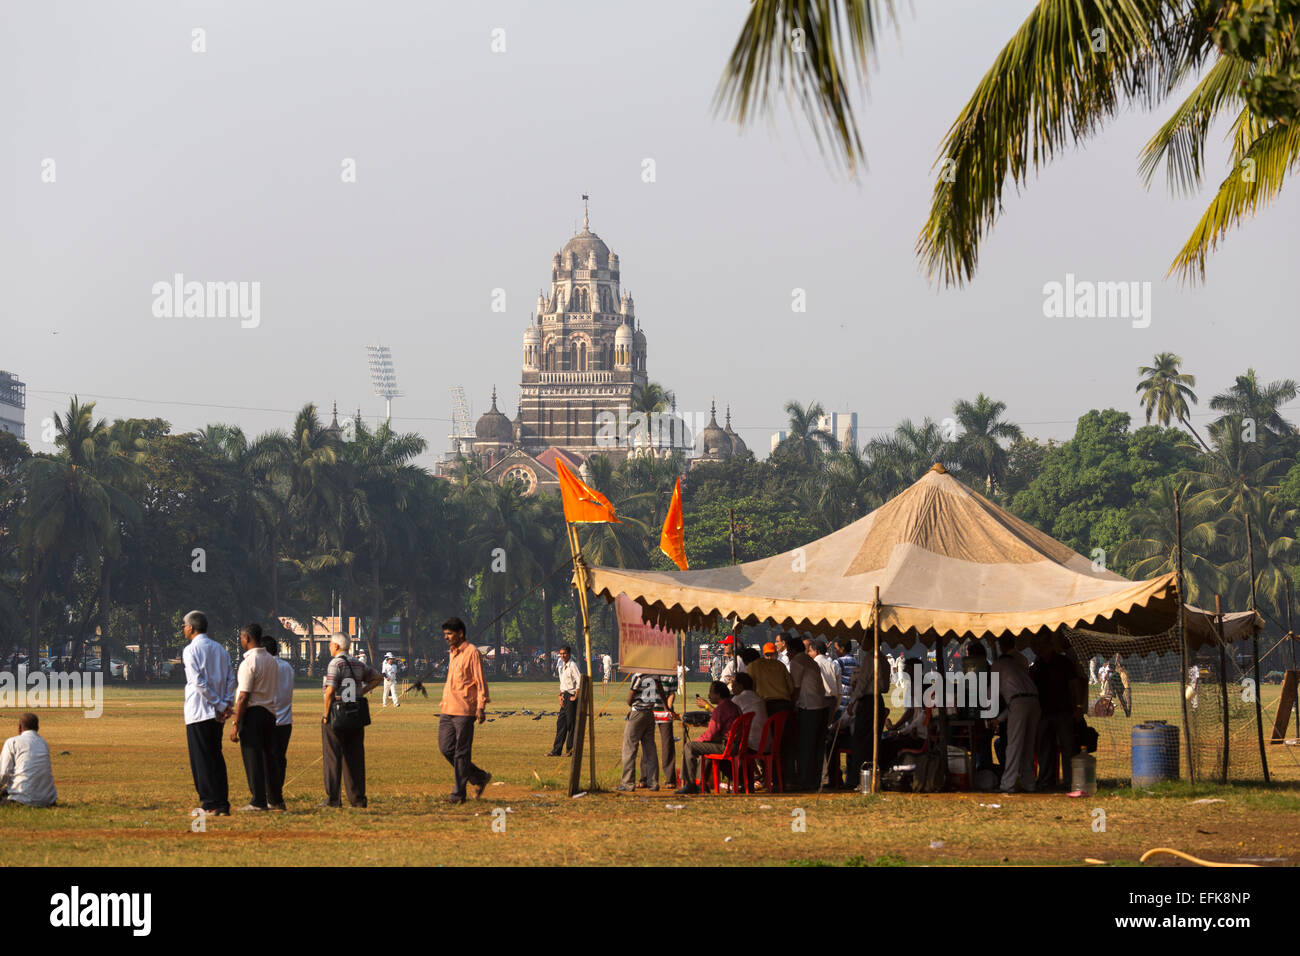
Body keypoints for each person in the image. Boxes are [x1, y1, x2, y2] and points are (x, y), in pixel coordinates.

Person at [182, 609, 236, 817]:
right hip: (217, 714)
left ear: (191, 627)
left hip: (199, 711)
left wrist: (220, 704)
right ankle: (222, 802)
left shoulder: (191, 650)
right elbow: (231, 678)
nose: (184, 629)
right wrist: (225, 702)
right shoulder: (220, 649)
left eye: (184, 625)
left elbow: (198, 682)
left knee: (201, 760)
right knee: (215, 757)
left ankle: (209, 803)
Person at [320, 633, 382, 808]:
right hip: (355, 711)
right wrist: (361, 691)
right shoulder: (358, 663)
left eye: (331, 644)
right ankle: (357, 798)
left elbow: (330, 692)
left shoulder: (335, 663)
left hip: (337, 711)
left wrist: (326, 715)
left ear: (337, 646)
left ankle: (333, 798)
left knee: (333, 756)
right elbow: (377, 677)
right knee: (355, 756)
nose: (330, 646)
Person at [438, 617, 491, 804]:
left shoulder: (472, 652)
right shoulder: (452, 653)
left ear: (460, 633)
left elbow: (480, 681)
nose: (446, 637)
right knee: (445, 748)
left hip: (465, 710)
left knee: (462, 752)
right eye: (445, 634)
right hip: (447, 708)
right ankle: (478, 777)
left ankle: (458, 794)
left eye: (449, 634)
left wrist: (481, 706)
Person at [229, 623, 279, 811]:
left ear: (247, 638)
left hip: (253, 713)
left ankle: (257, 800)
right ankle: (274, 798)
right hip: (269, 712)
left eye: (242, 638)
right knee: (268, 758)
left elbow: (243, 696)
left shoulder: (249, 662)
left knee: (252, 758)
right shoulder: (271, 660)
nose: (241, 641)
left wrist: (236, 723)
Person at [992, 634, 1039, 793]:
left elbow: (993, 694)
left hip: (1019, 702)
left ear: (1000, 646)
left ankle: (1007, 784)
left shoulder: (998, 665)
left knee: (1014, 745)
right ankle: (1029, 783)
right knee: (1028, 745)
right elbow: (1014, 701)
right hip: (1033, 701)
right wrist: (999, 719)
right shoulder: (1019, 663)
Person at [675, 681, 740, 795]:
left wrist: (697, 742)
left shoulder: (721, 709)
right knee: (706, 749)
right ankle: (702, 785)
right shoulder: (732, 706)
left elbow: (711, 734)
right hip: (735, 744)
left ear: (718, 695)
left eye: (711, 692)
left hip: (727, 746)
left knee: (689, 747)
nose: (709, 695)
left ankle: (690, 784)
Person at [1031, 635, 1077, 790]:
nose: (1039, 649)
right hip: (1043, 713)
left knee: (1067, 747)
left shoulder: (1064, 662)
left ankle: (1070, 781)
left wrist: (1078, 707)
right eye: (1037, 646)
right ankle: (1046, 780)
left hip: (1063, 711)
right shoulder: (1037, 666)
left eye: (1042, 645)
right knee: (1044, 748)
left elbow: (1074, 685)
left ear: (1050, 645)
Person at [845, 646, 890, 788]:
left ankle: (858, 778)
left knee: (862, 741)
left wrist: (852, 701)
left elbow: (863, 682)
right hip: (877, 699)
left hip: (869, 700)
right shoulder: (883, 659)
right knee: (871, 740)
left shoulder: (871, 658)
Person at [617, 672, 666, 791]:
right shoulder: (655, 675)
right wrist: (667, 707)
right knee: (650, 749)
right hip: (650, 712)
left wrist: (630, 703)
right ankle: (653, 783)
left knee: (629, 748)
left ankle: (628, 783)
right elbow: (661, 691)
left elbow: (630, 697)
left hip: (637, 712)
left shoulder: (638, 676)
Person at [0, 713, 57, 807]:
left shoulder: (12, 742)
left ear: (19, 727)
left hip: (22, 800)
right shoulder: (44, 743)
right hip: (48, 800)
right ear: (37, 728)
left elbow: (3, 774)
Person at [264, 637, 293, 812]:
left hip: (269, 719)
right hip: (286, 720)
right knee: (280, 759)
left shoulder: (266, 667)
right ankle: (277, 792)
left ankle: (272, 796)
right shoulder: (288, 668)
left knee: (268, 761)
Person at [809, 639, 839, 787]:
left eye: (810, 651)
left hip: (819, 702)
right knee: (826, 737)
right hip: (832, 702)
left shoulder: (814, 665)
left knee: (819, 739)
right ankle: (830, 774)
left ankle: (822, 775)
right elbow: (838, 690)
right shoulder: (833, 665)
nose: (809, 654)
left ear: (816, 651)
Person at [548, 645, 582, 756]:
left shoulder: (572, 665)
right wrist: (560, 695)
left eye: (565, 653)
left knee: (571, 724)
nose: (562, 656)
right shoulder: (563, 665)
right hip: (564, 696)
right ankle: (556, 750)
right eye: (561, 654)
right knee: (561, 724)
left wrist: (575, 696)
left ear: (569, 654)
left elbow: (579, 681)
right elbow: (563, 683)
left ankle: (570, 750)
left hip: (571, 697)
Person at [731, 673, 767, 753]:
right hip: (766, 744)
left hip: (751, 745)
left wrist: (707, 706)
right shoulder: (759, 698)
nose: (732, 686)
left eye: (733, 683)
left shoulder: (738, 699)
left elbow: (723, 715)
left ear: (740, 686)